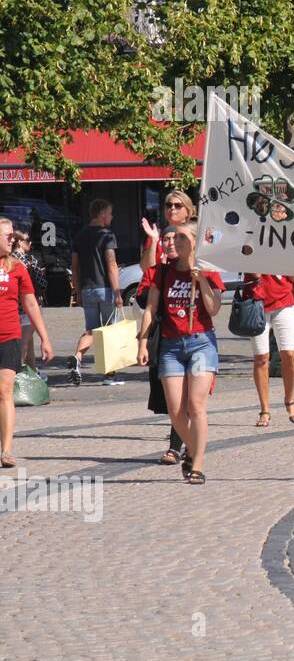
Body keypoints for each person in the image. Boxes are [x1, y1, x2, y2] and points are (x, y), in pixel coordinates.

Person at [136, 221, 224, 485]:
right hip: (170, 346)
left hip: (201, 343)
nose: (175, 242)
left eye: (183, 238)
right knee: (175, 411)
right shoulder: (161, 272)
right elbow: (150, 308)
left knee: (195, 405)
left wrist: (201, 281)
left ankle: (196, 464)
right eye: (172, 238)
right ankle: (193, 448)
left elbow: (214, 308)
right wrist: (142, 342)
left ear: (195, 242)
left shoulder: (209, 271)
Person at [141, 190, 196, 463]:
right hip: (163, 323)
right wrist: (153, 242)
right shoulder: (162, 236)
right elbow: (148, 270)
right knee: (170, 395)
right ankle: (187, 442)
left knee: (187, 395)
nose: (171, 209)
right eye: (168, 205)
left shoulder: (194, 236)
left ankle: (179, 446)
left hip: (190, 325)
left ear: (188, 209)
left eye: (177, 205)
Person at [0, 218, 55, 468]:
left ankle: (6, 450)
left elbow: (30, 303)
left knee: (4, 390)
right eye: (8, 236)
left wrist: (44, 337)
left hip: (10, 336)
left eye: (13, 236)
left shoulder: (17, 267)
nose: (12, 239)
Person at [68, 199, 123, 386]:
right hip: (106, 289)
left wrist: (77, 291)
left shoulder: (80, 235)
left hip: (87, 288)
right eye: (109, 213)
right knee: (108, 332)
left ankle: (78, 356)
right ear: (101, 214)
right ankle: (109, 376)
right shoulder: (107, 235)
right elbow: (112, 265)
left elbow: (74, 267)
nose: (111, 216)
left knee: (91, 329)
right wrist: (118, 292)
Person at [246, 272, 294, 427]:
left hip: (284, 300)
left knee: (289, 354)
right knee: (261, 358)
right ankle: (264, 409)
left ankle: (290, 400)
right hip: (257, 301)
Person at [11, 229, 46, 371]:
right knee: (24, 343)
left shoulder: (7, 260)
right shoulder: (30, 260)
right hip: (29, 306)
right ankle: (16, 373)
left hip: (13, 306)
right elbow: (42, 282)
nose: (30, 243)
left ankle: (32, 371)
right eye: (27, 240)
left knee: (29, 343)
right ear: (19, 242)